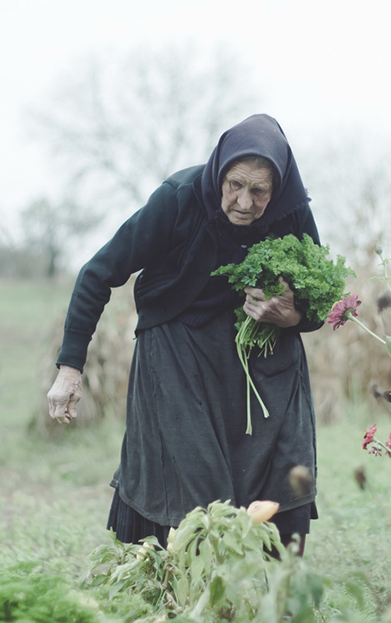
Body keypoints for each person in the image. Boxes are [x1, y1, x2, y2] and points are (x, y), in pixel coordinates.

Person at [46, 114, 322, 554]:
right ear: (219, 171)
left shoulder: (292, 213)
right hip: (179, 354)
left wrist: (289, 316)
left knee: (282, 468)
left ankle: (272, 589)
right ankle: (189, 587)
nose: (245, 202)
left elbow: (316, 305)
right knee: (199, 489)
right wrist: (70, 368)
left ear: (279, 187)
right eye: (235, 184)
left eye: (259, 191)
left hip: (262, 357)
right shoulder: (179, 198)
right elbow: (98, 273)